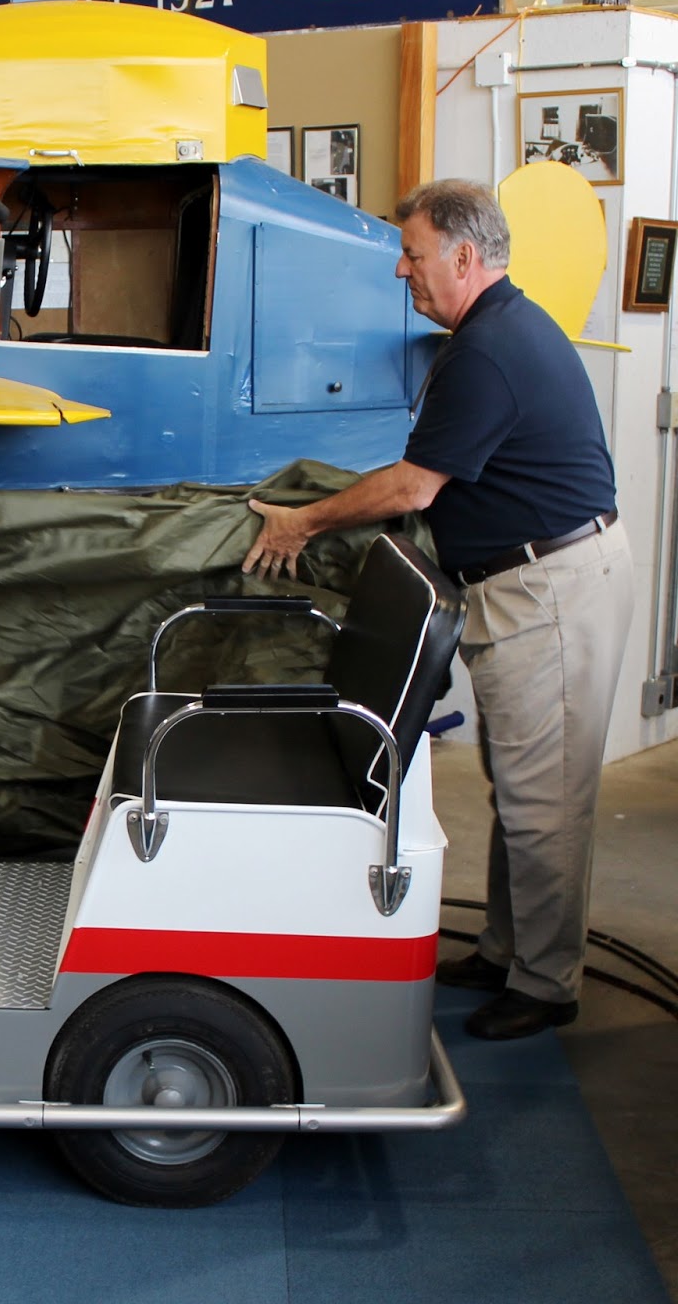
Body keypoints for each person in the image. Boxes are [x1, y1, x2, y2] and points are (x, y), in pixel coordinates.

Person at [241, 178, 634, 1041]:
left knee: (546, 798)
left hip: (551, 590)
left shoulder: (489, 352)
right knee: (520, 785)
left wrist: (303, 520)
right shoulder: (492, 334)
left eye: (413, 255)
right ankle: (506, 948)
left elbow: (416, 484)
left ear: (464, 255)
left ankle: (546, 982)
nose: (402, 272)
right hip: (528, 580)